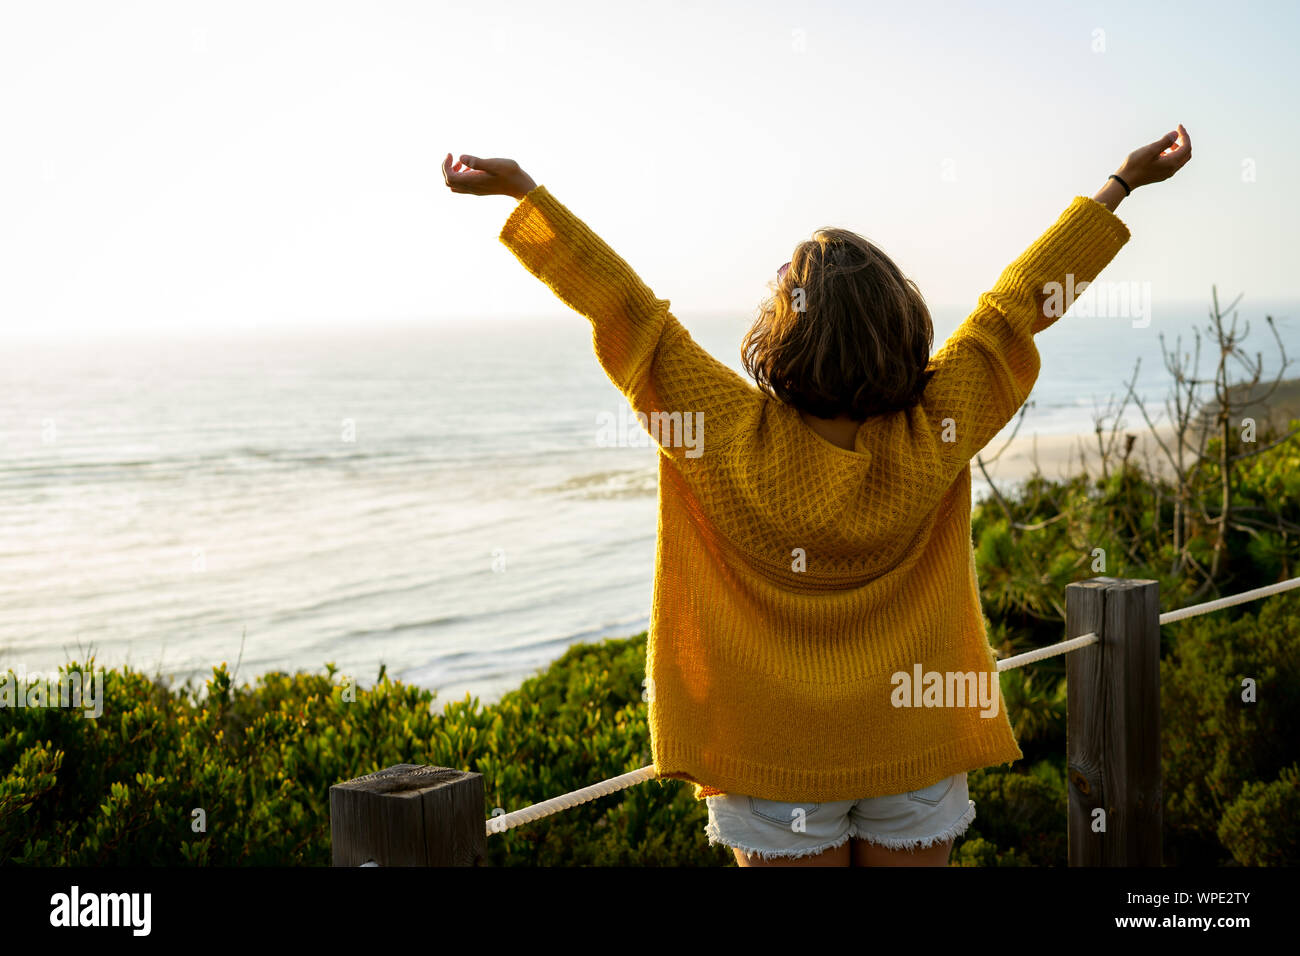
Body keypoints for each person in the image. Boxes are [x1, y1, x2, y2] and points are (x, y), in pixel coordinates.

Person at [441, 126, 1192, 867]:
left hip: (770, 757)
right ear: (901, 325)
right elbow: (1016, 309)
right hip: (914, 745)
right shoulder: (937, 427)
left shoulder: (722, 430)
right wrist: (1119, 186)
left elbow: (628, 314)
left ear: (782, 333)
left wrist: (524, 194)